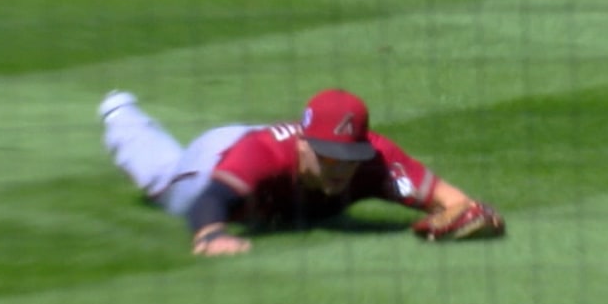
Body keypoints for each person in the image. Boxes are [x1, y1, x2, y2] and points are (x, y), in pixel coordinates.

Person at [98, 88, 505, 256]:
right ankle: (120, 114)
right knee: (161, 180)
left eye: (348, 157)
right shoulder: (263, 153)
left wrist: (471, 216)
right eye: (327, 155)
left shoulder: (375, 159)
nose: (339, 167)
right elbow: (211, 201)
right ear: (304, 144)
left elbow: (455, 202)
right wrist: (212, 235)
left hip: (252, 154)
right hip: (214, 160)